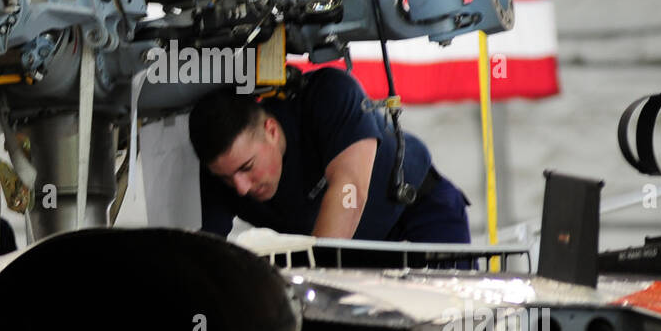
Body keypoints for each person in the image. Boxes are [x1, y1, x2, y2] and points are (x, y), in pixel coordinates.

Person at [188, 67, 471, 249]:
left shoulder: (327, 96)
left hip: (419, 216)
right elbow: (207, 250)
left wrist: (315, 278)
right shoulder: (220, 173)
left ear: (271, 130)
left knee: (447, 325)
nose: (241, 187)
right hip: (344, 251)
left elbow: (350, 190)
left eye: (247, 168)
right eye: (226, 178)